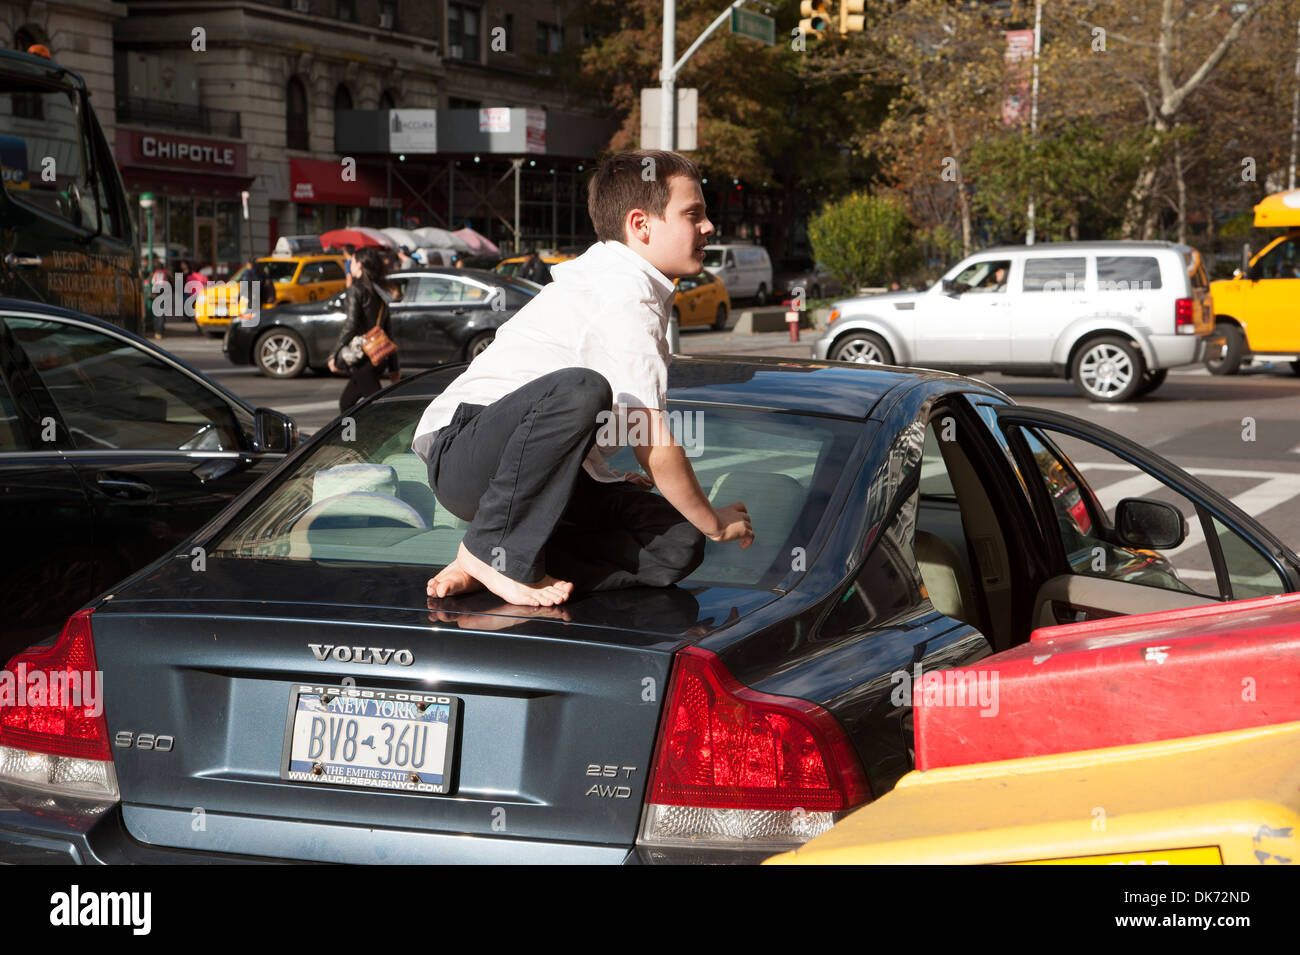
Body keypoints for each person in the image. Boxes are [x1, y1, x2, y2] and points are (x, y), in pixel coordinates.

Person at [411, 149, 754, 608]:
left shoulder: (631, 285)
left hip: (524, 474)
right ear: (641, 224)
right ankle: (492, 554)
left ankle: (496, 560)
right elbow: (651, 437)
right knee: (581, 387)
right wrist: (714, 520)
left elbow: (602, 423)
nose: (708, 227)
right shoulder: (623, 293)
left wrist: (598, 470)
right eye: (693, 214)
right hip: (463, 454)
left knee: (677, 544)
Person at [328, 247, 400, 412]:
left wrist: (334, 353)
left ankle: (392, 433)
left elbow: (351, 324)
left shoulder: (356, 289)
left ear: (360, 265)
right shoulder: (380, 291)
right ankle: (352, 438)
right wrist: (394, 367)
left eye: (352, 262)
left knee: (380, 408)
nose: (350, 265)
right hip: (378, 356)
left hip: (363, 359)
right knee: (347, 404)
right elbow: (388, 332)